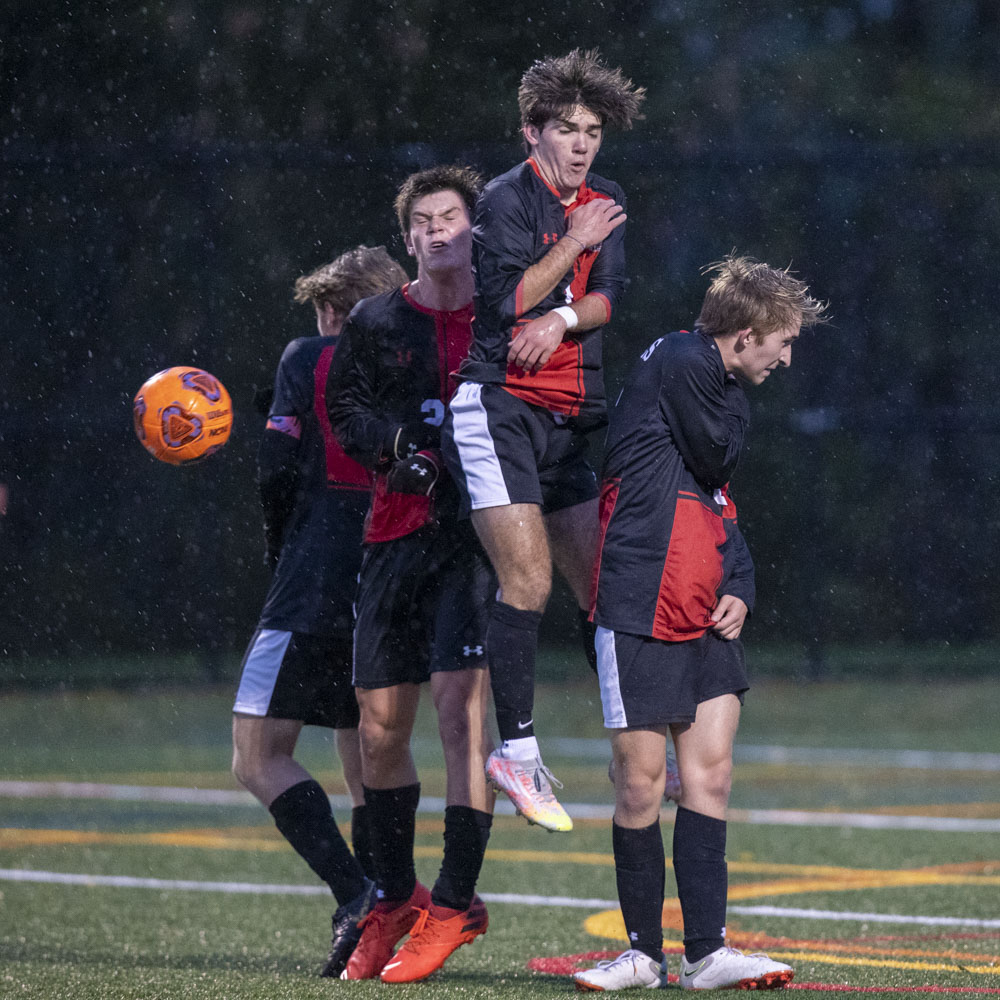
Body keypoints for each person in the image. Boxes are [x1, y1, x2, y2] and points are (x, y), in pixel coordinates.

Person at [573, 256, 828, 992]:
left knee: (709, 775)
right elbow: (718, 456)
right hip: (638, 600)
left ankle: (707, 954)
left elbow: (717, 501)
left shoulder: (711, 381)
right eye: (781, 341)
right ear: (745, 334)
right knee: (641, 785)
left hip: (703, 600)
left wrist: (740, 587)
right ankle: (640, 953)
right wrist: (737, 414)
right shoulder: (685, 359)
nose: (786, 356)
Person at [442, 48, 647, 833]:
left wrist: (562, 318)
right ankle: (516, 754)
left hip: (569, 418)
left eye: (593, 130)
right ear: (534, 133)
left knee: (605, 590)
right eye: (568, 129)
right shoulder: (503, 198)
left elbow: (606, 299)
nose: (583, 143)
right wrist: (570, 242)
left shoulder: (608, 198)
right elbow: (504, 301)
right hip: (496, 408)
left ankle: (634, 749)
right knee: (525, 583)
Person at [326, 165, 496, 983]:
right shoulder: (374, 319)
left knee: (462, 715)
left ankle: (457, 904)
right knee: (378, 727)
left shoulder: (503, 314)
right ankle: (396, 896)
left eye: (451, 217)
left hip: (474, 543)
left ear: (474, 229)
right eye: (422, 222)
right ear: (408, 241)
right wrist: (400, 451)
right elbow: (347, 412)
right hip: (395, 535)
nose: (437, 231)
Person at [231, 246, 407, 978]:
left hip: (313, 579)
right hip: (388, 572)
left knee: (256, 755)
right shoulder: (418, 367)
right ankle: (382, 917)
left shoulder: (309, 355)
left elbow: (275, 473)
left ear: (338, 310)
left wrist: (284, 554)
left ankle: (356, 892)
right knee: (362, 752)